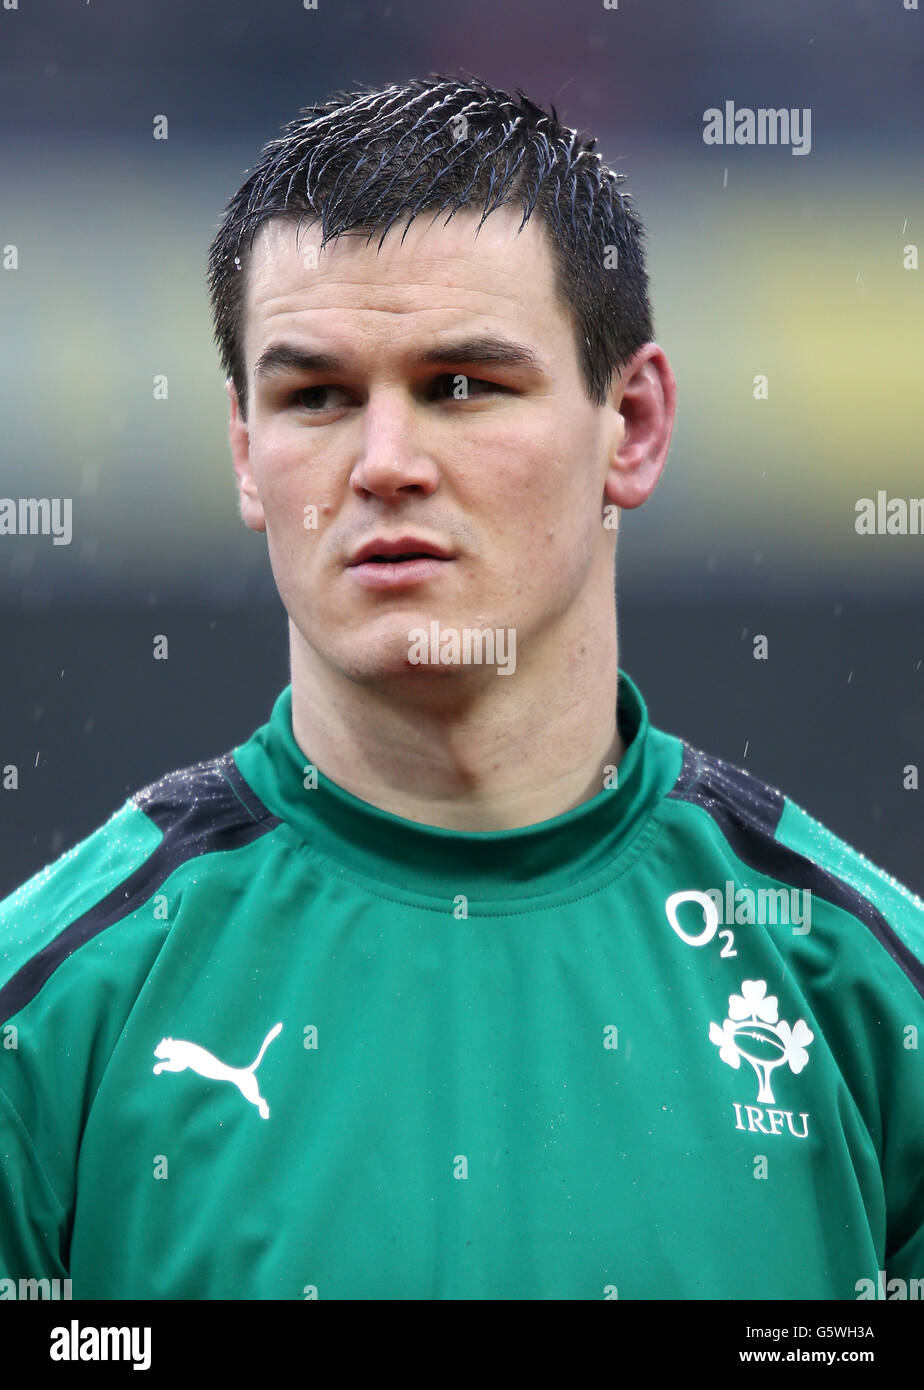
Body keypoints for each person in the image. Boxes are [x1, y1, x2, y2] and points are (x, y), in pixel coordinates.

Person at [0, 75, 921, 1302]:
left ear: (634, 423)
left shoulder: (872, 1000)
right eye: (316, 395)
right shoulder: (46, 1013)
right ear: (245, 451)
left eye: (462, 385)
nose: (384, 463)